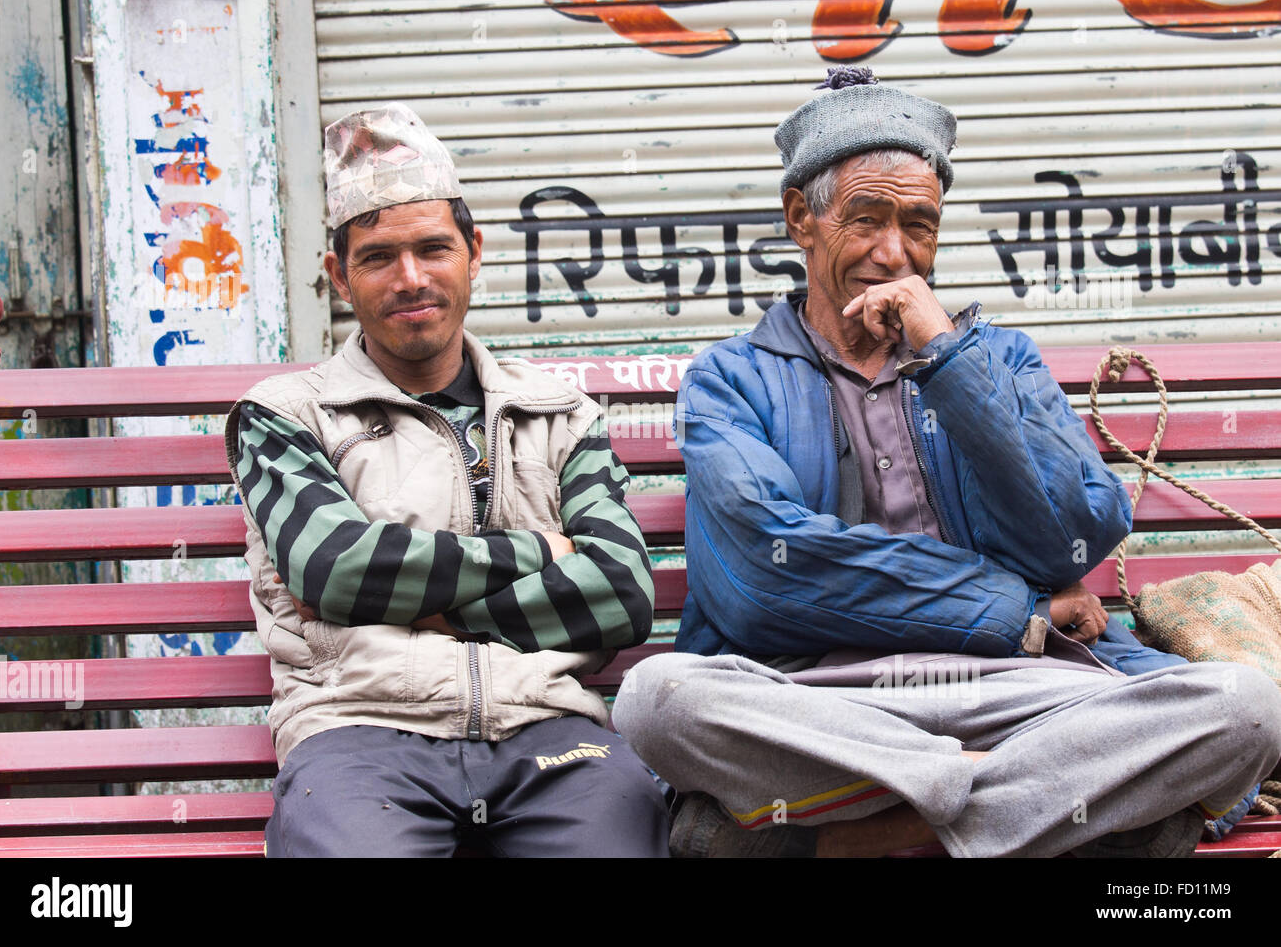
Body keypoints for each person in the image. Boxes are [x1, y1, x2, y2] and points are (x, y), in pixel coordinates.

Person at [611, 67, 1281, 858]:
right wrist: (1019, 612)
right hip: (820, 700)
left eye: (918, 224)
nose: (895, 253)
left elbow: (1077, 535)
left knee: (1247, 709)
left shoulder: (1000, 359)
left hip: (1019, 695)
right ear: (802, 218)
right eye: (866, 219)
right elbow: (762, 578)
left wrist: (948, 362)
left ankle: (880, 832)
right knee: (658, 698)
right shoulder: (730, 379)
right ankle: (1037, 810)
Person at [224, 104, 668, 857]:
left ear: (473, 251)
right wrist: (541, 553)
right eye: (377, 257)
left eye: (434, 248)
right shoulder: (283, 416)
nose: (411, 278)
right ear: (337, 275)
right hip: (356, 736)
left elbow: (621, 597)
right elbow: (338, 568)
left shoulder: (561, 416)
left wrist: (426, 607)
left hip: (551, 733)